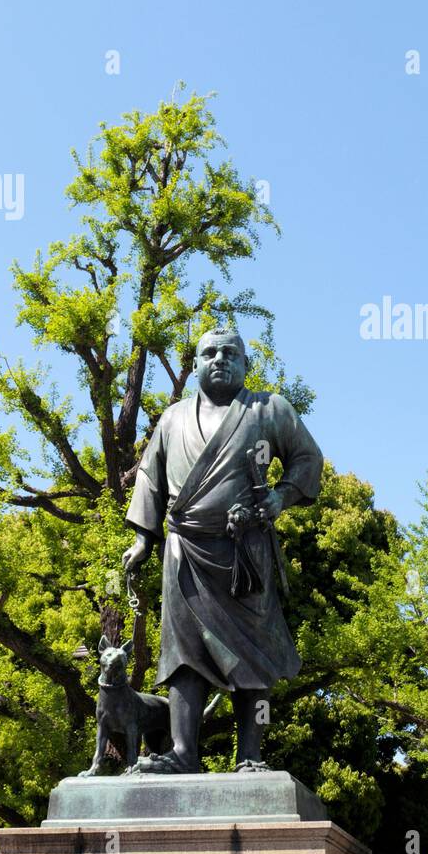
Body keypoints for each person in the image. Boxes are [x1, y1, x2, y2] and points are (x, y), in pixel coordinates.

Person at [121, 327, 322, 774]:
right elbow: (149, 478)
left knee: (253, 652)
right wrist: (142, 538)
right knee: (182, 653)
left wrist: (281, 497)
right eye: (209, 352)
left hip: (245, 549)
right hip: (184, 549)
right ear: (194, 365)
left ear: (246, 365)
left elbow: (308, 459)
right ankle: (182, 753)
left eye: (230, 353)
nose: (219, 359)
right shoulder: (172, 418)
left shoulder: (269, 409)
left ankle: (250, 755)